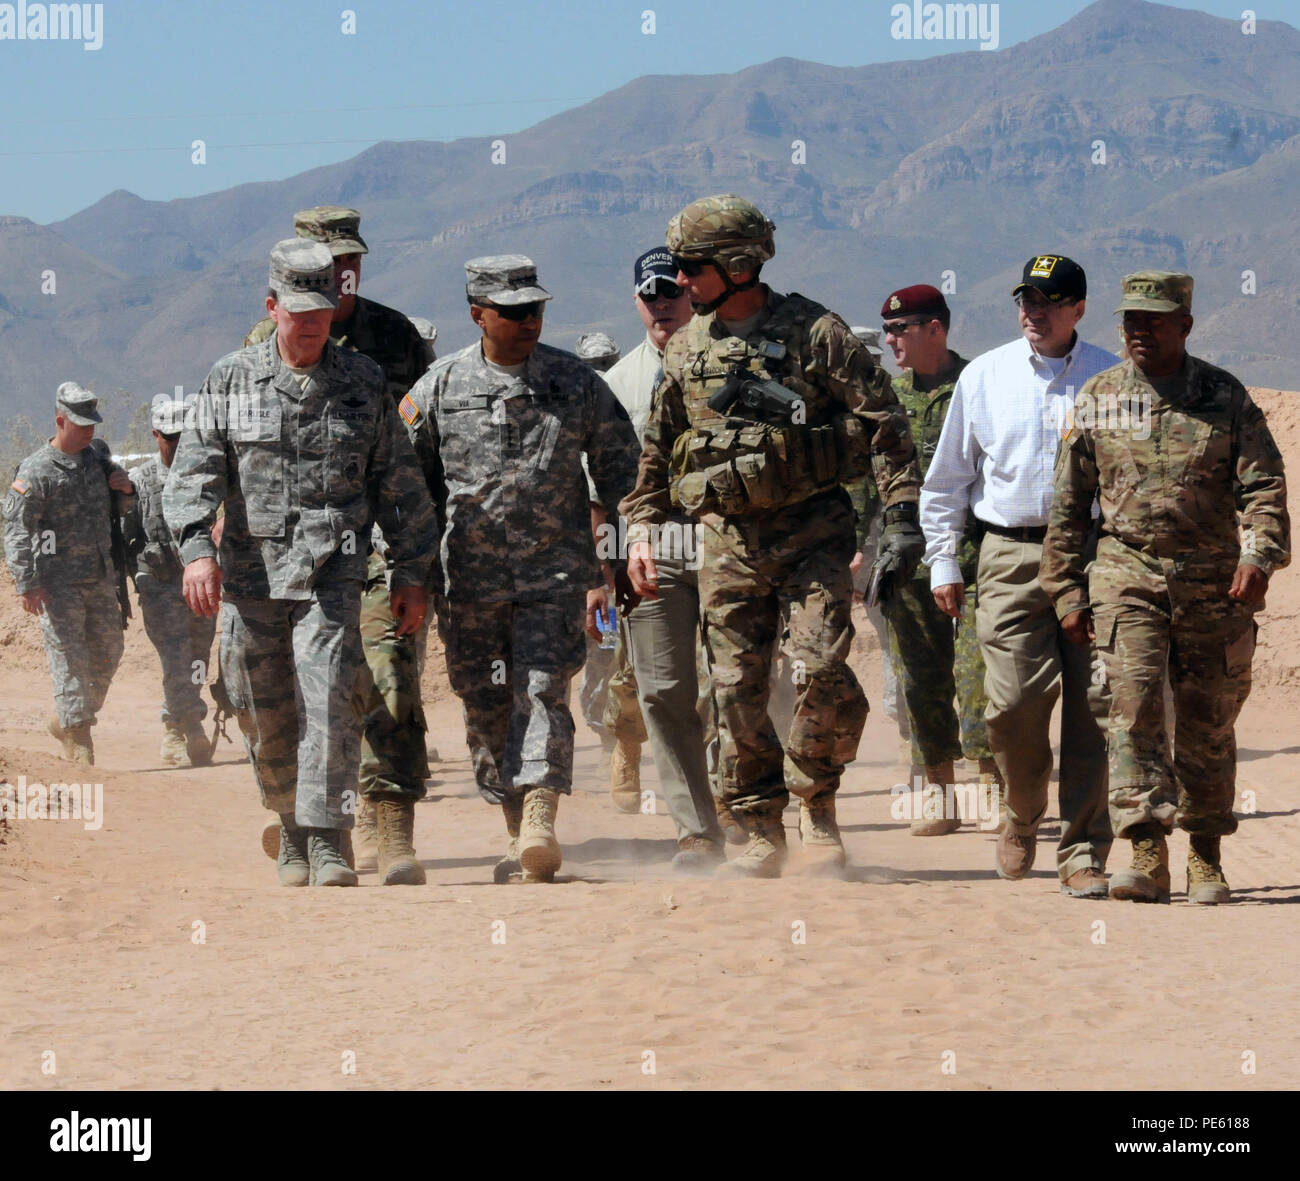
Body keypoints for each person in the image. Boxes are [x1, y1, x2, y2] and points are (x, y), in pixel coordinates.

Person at [623, 194, 924, 878]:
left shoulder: (816, 333)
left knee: (820, 668)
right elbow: (658, 452)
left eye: (692, 266)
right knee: (736, 690)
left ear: (737, 264)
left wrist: (902, 517)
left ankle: (816, 802)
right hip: (725, 544)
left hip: (813, 535)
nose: (680, 280)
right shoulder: (687, 347)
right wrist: (641, 531)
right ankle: (760, 826)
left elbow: (885, 423)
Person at [165, 239, 436, 887]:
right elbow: (194, 473)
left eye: (321, 311)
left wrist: (410, 570)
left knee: (332, 701)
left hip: (332, 575)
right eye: (298, 311)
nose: (312, 323)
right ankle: (290, 824)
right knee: (264, 710)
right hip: (252, 578)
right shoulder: (232, 379)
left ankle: (330, 839)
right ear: (272, 308)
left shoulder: (362, 381)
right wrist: (197, 551)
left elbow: (398, 482)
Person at [1041, 271, 1289, 904]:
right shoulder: (1099, 396)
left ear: (1185, 324)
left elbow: (1263, 487)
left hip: (1213, 583)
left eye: (1154, 320)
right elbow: (1068, 505)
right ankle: (1146, 849)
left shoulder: (1223, 396)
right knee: (1133, 705)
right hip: (1127, 573)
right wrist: (1066, 591)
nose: (1140, 331)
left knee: (1209, 717)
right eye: (1131, 320)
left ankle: (1205, 853)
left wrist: (1259, 556)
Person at [402, 255, 640, 884]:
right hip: (469, 583)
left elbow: (624, 471)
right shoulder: (439, 388)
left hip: (554, 577)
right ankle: (516, 828)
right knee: (484, 703)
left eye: (535, 309)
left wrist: (616, 557)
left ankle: (540, 818)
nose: (528, 321)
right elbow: (405, 485)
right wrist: (410, 570)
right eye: (512, 312)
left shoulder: (576, 383)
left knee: (541, 691)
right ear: (478, 314)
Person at [922, 254, 1119, 898]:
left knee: (1094, 707)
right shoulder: (984, 375)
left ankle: (1083, 849)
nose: (1034, 312)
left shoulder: (1112, 379)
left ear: (1078, 309)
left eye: (1049, 302)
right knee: (1011, 705)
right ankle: (1021, 807)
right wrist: (944, 560)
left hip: (1091, 558)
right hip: (1008, 556)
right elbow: (947, 480)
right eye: (1026, 301)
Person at [245, 207, 433, 885]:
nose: (345, 272)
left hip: (378, 537)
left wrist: (417, 554)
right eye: (332, 263)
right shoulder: (261, 344)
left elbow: (416, 448)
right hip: (293, 553)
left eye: (353, 260)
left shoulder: (396, 337)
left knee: (388, 673)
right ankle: (306, 819)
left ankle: (390, 821)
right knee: (294, 687)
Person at [860, 286, 1000, 835]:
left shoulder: (979, 385)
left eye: (901, 329)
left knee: (978, 676)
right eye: (887, 331)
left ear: (936, 329)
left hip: (977, 557)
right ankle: (938, 794)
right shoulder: (887, 399)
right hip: (908, 559)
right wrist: (857, 544)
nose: (890, 340)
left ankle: (992, 785)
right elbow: (864, 476)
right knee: (920, 680)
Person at [605, 246, 725, 871]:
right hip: (651, 543)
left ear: (690, 293)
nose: (661, 306)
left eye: (671, 293)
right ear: (636, 301)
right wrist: (608, 560)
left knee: (737, 679)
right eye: (649, 296)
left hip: (725, 537)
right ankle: (695, 829)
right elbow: (600, 484)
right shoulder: (617, 383)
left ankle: (740, 800)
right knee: (661, 688)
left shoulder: (730, 358)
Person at [3, 382, 135, 765]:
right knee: (71, 659)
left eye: (93, 424)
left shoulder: (99, 460)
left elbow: (121, 509)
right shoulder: (36, 470)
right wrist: (27, 583)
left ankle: (67, 718)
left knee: (109, 651)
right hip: (57, 584)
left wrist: (126, 490)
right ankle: (79, 740)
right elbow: (16, 530)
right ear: (60, 421)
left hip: (101, 577)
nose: (90, 431)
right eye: (81, 424)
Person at [122, 397, 217, 768]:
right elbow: (125, 537)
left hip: (200, 586)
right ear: (156, 435)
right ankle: (188, 727)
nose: (177, 444)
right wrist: (135, 579)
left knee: (197, 658)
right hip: (159, 586)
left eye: (184, 436)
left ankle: (176, 726)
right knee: (176, 658)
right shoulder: (140, 482)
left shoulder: (205, 477)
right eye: (170, 437)